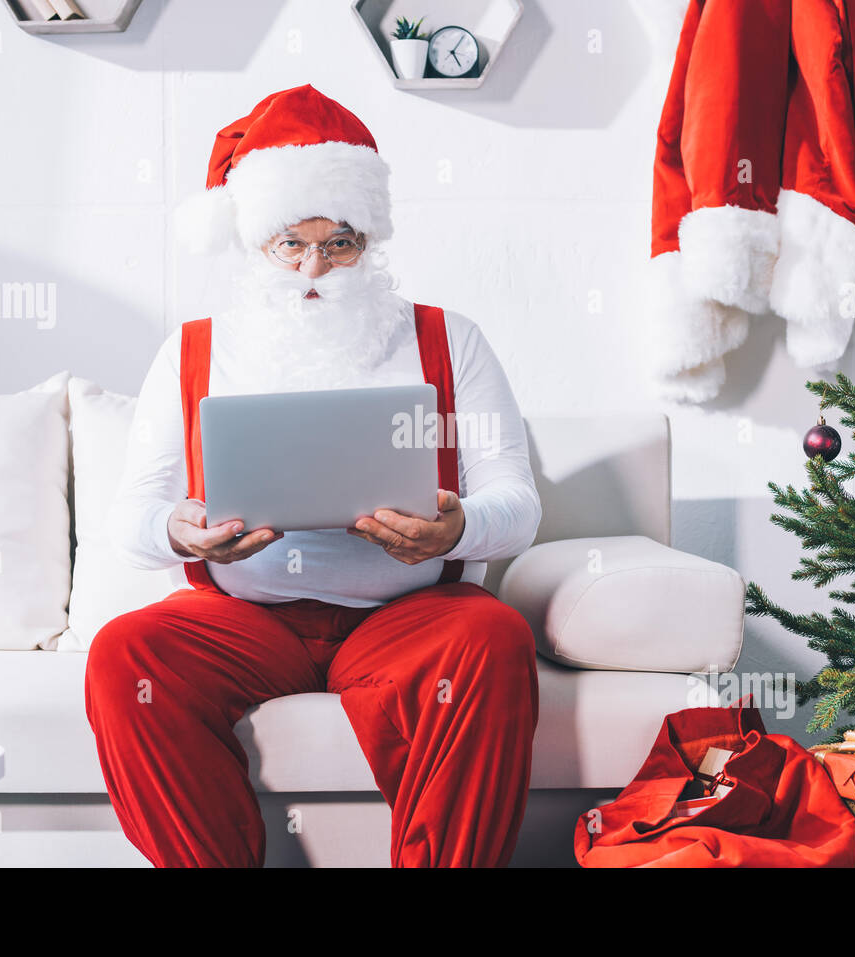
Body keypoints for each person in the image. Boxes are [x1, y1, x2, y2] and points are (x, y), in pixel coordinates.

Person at [83, 84, 543, 868]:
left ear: (373, 240)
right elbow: (131, 519)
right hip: (247, 620)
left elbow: (518, 499)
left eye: (341, 243)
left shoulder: (450, 338)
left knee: (494, 634)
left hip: (409, 615)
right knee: (125, 653)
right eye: (289, 244)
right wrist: (178, 528)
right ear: (254, 243)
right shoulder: (192, 350)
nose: (314, 268)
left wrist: (458, 525)